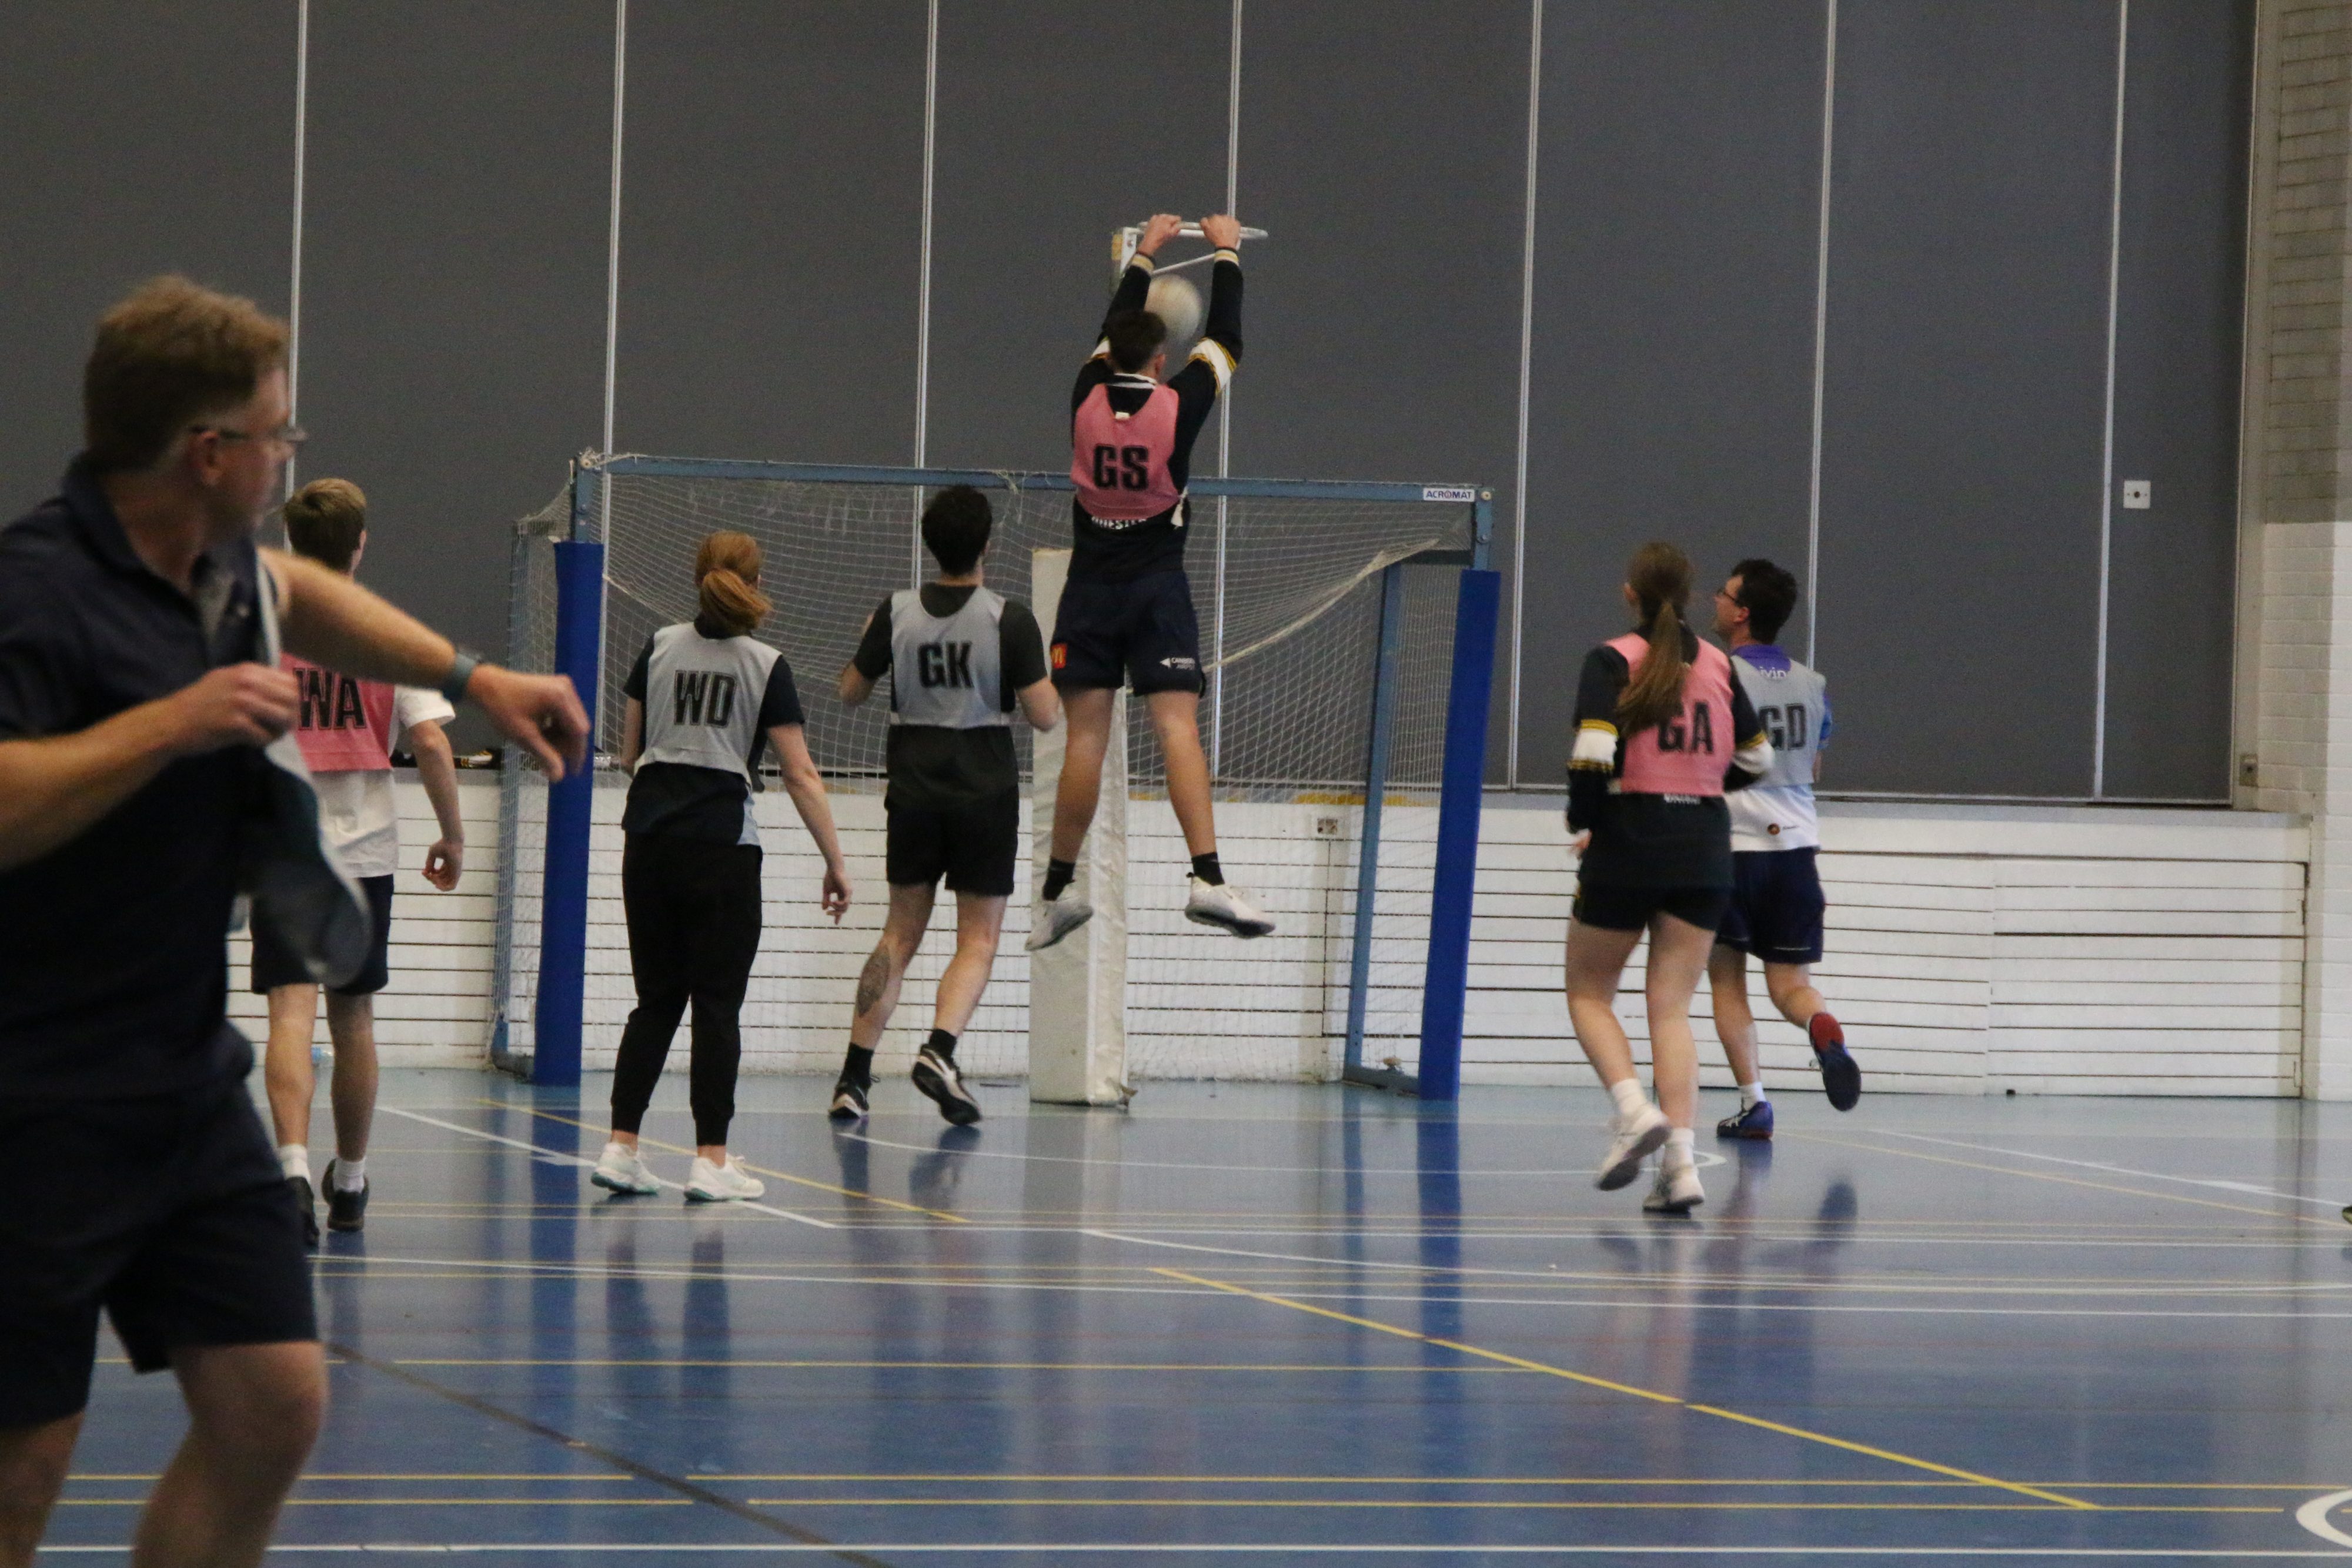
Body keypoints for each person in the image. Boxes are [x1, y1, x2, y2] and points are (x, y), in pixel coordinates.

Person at [0, 275, 586, 1568]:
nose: (289, 457)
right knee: (22, 1468)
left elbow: (299, 591)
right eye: (280, 436)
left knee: (272, 1403)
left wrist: (472, 675)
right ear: (211, 454)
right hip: (31, 1093)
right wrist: (177, 721)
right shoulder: (36, 591)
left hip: (176, 1078)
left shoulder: (220, 570)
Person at [1029, 210, 1274, 952]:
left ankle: (1057, 889)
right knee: (1176, 728)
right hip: (1156, 587)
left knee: (1084, 743)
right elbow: (1227, 341)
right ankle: (1205, 877)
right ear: (1162, 361)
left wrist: (1143, 255)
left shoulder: (1082, 398)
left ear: (1107, 359)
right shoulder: (1179, 407)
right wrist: (1226, 252)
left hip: (1090, 588)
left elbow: (1108, 331)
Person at [590, 530, 851, 1203]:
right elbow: (799, 773)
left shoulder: (658, 646)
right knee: (716, 1005)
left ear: (697, 575)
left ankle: (621, 1147)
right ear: (756, 583)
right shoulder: (766, 664)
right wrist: (835, 860)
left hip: (647, 839)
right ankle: (710, 1159)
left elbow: (628, 753)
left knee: (655, 1001)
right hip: (721, 848)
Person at [258, 478, 466, 1245]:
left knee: (288, 1008)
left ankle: (287, 1169)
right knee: (353, 1016)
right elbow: (435, 739)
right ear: (361, 543)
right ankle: (348, 1178)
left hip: (286, 846)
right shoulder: (385, 628)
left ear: (291, 543)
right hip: (367, 851)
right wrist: (454, 834)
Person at [833, 486, 1061, 1126]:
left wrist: (866, 645)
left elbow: (850, 692)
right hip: (983, 790)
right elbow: (1045, 718)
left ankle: (853, 1078)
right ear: (987, 544)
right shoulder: (1007, 619)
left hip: (912, 788)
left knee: (897, 934)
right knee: (979, 938)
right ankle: (939, 1050)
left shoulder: (895, 612)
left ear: (930, 544)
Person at [1564, 543, 1772, 1215]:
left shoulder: (1613, 659)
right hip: (1705, 845)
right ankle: (1680, 1167)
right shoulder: (1717, 662)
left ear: (1631, 593)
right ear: (1687, 596)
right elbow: (1758, 757)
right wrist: (1707, 783)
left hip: (1631, 834)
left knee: (1589, 992)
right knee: (1672, 1008)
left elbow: (1594, 750)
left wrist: (1585, 819)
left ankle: (1633, 1111)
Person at [1706, 559, 1860, 1138]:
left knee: (1727, 981)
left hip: (1731, 850)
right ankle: (1822, 1025)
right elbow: (1814, 764)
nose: (1714, 601)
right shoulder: (1813, 684)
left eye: (1722, 595)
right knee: (1789, 985)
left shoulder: (1716, 675)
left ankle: (1754, 1104)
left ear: (1742, 613)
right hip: (1796, 850)